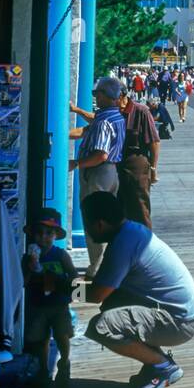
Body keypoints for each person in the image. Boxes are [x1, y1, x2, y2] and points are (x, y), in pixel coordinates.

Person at [80, 190, 194, 388]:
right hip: (183, 314)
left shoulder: (123, 243)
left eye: (88, 225)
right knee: (113, 304)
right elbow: (105, 290)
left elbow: (96, 294)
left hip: (179, 323)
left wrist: (62, 289)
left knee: (101, 326)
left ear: (99, 224)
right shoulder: (131, 231)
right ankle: (155, 363)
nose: (88, 232)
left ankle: (163, 366)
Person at [67, 76, 125, 275]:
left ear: (106, 96)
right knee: (107, 219)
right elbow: (90, 124)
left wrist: (76, 164)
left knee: (94, 220)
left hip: (98, 173)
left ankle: (96, 268)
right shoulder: (115, 116)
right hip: (111, 173)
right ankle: (106, 265)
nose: (95, 97)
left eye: (97, 93)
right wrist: (74, 114)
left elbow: (101, 154)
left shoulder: (103, 122)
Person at [21, 208, 78, 388]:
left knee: (62, 335)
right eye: (39, 233)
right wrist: (31, 266)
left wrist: (76, 296)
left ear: (55, 236)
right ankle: (43, 370)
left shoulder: (61, 255)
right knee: (41, 339)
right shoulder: (27, 258)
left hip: (59, 304)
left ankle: (64, 363)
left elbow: (74, 277)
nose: (43, 238)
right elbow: (22, 282)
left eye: (48, 233)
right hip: (37, 304)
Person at [117, 86, 160, 228]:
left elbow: (154, 141)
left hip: (136, 165)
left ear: (121, 96)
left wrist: (153, 168)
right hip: (114, 166)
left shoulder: (141, 111)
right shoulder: (110, 111)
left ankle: (145, 244)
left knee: (140, 208)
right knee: (117, 211)